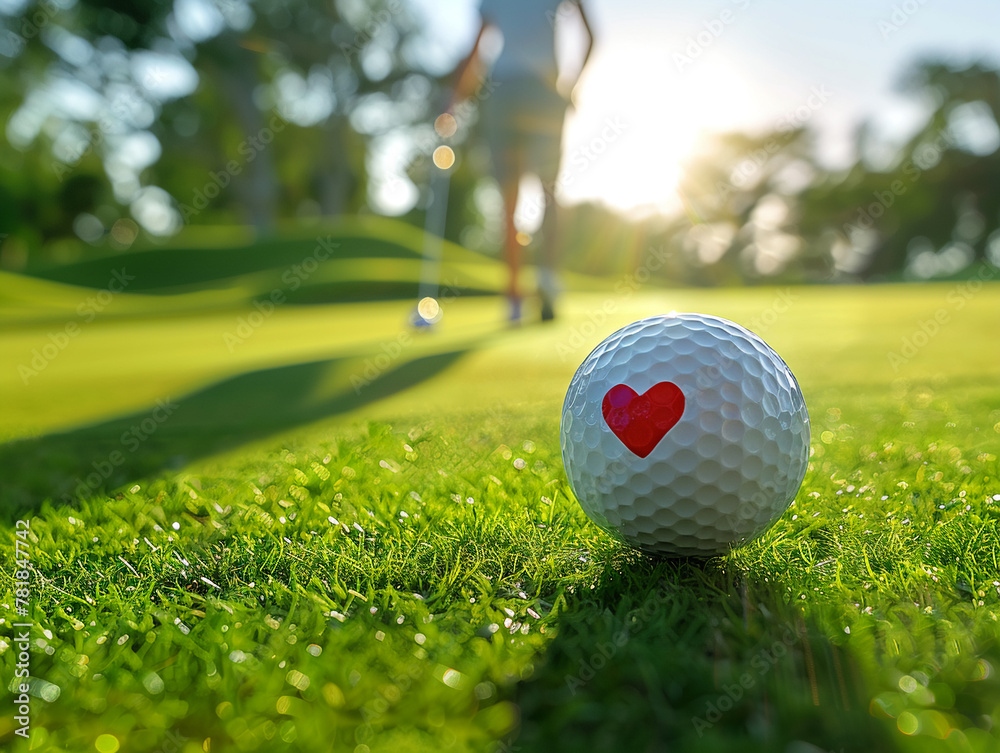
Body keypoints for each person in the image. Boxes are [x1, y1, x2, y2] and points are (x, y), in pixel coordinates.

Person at [449, 0, 594, 323]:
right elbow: (477, 51)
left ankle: (539, 287)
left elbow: (590, 35)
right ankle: (520, 291)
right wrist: (454, 101)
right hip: (524, 89)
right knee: (521, 196)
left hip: (523, 91)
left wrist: (573, 85)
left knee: (540, 192)